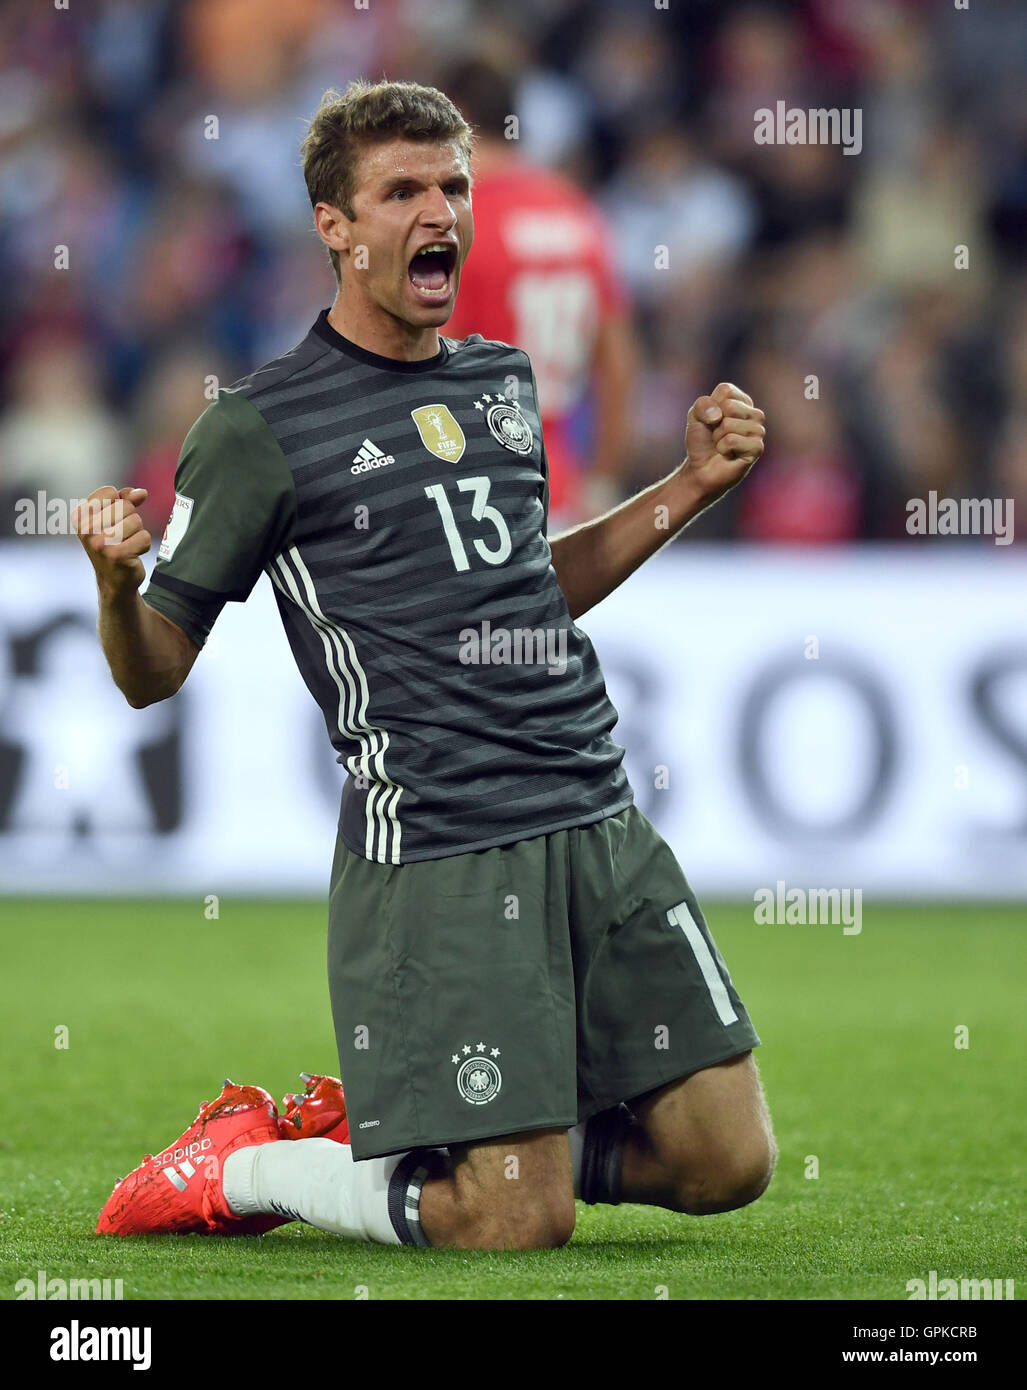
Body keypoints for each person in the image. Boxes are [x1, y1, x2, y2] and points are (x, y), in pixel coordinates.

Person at [76, 79, 773, 1252]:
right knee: (513, 1220)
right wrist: (112, 581)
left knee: (726, 1159)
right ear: (333, 226)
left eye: (452, 186)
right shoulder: (257, 428)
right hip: (442, 841)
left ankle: (428, 1125)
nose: (438, 211)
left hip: (593, 809)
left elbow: (529, 592)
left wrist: (687, 489)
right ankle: (252, 1166)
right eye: (400, 191)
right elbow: (151, 673)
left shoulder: (498, 378)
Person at [440, 57, 639, 529]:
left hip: (476, 499)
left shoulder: (460, 221)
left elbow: (433, 363)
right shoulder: (575, 210)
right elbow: (619, 366)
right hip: (561, 492)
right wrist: (604, 480)